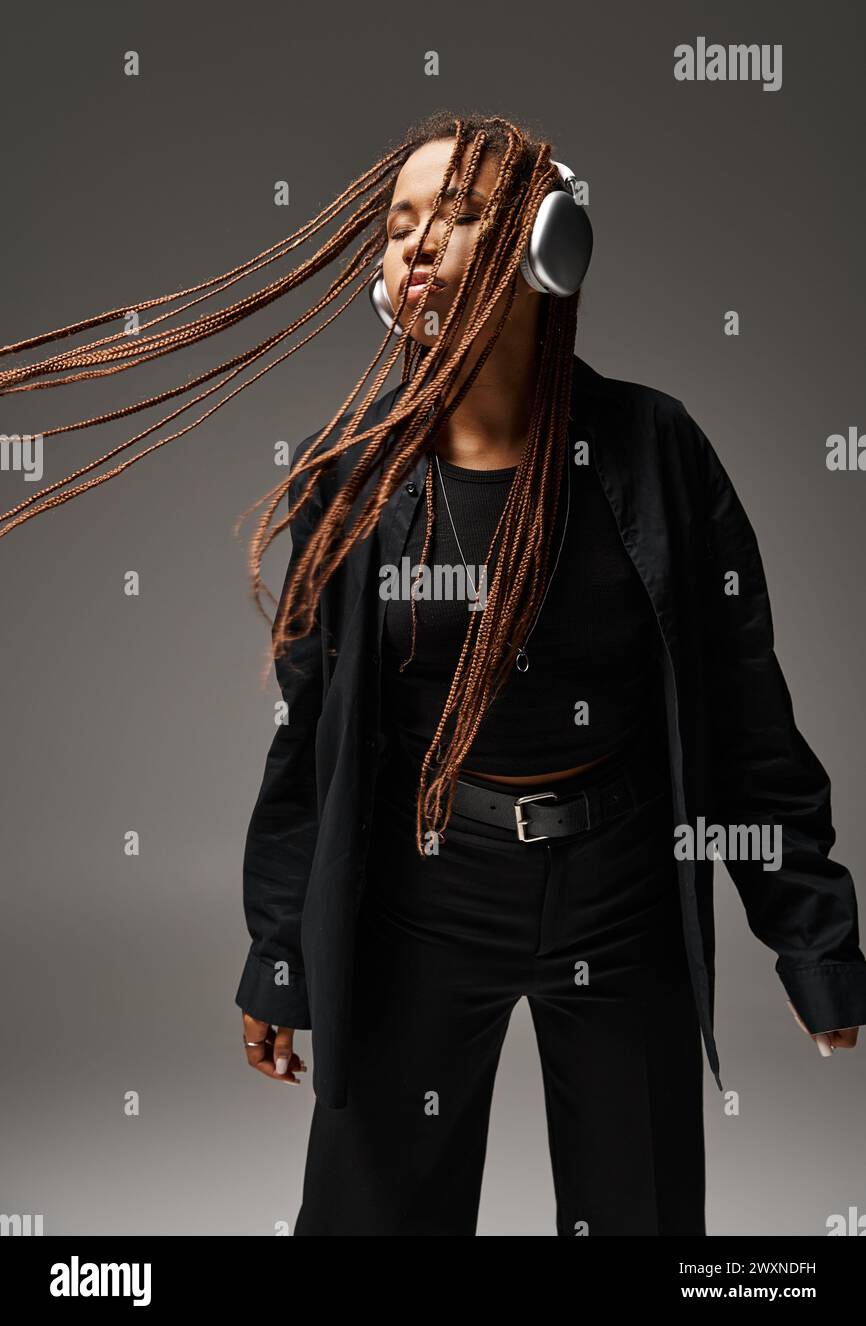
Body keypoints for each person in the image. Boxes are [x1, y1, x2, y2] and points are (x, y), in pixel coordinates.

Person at [4, 112, 865, 1237]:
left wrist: (812, 940)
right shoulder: (353, 475)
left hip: (619, 887)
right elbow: (310, 735)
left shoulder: (657, 450)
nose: (412, 244)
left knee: (640, 1214)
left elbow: (748, 710)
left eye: (451, 216)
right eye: (398, 223)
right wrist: (277, 952)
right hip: (424, 887)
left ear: (543, 244)